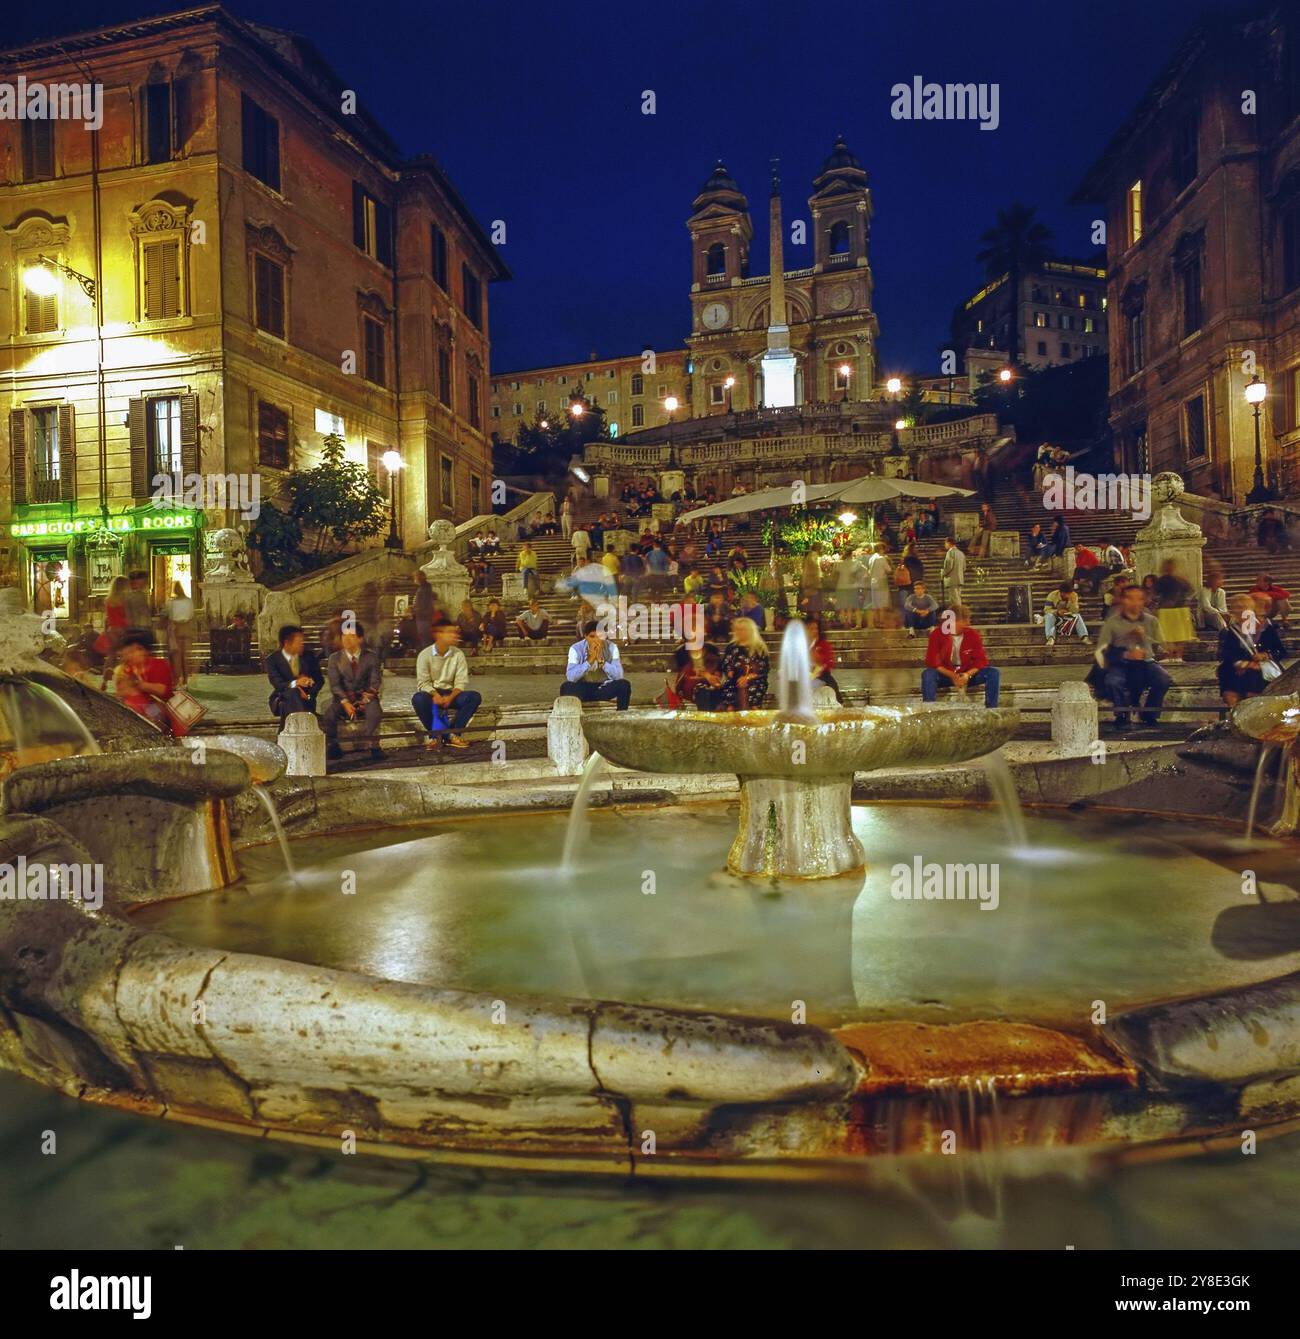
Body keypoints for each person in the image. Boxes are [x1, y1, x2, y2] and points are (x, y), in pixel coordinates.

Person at [1097, 584, 1171, 730]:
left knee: (1163, 679)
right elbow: (1102, 649)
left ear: (1144, 601)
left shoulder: (1151, 621)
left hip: (1146, 662)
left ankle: (1150, 714)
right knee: (1113, 681)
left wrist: (1145, 638)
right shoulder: (1112, 622)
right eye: (1130, 599)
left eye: (1139, 599)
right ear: (1123, 600)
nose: (1134, 603)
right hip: (1121, 663)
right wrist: (1125, 654)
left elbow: (1162, 646)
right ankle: (1122, 714)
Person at [413, 618, 482, 750]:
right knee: (418, 699)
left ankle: (451, 734)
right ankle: (438, 735)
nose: (454, 635)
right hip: (432, 693)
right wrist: (435, 694)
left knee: (474, 697)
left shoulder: (458, 654)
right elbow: (423, 683)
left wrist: (450, 697)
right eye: (449, 632)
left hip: (452, 693)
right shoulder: (425, 655)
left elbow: (461, 682)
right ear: (438, 634)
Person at [323, 623, 384, 761]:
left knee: (375, 712)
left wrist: (365, 699)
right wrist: (345, 702)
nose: (347, 639)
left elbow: (375, 681)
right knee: (329, 714)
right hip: (343, 697)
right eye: (344, 635)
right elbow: (335, 684)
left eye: (351, 636)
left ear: (360, 639)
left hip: (366, 696)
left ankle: (374, 745)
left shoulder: (371, 657)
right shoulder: (335, 658)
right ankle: (333, 745)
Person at [921, 606, 1001, 707]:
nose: (968, 623)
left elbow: (980, 660)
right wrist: (953, 675)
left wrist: (967, 674)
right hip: (946, 675)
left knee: (993, 673)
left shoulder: (973, 635)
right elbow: (933, 662)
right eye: (965, 620)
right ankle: (928, 709)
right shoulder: (937, 634)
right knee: (928, 674)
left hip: (966, 675)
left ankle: (991, 709)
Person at [561, 620, 632, 709]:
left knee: (624, 685)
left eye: (600, 637)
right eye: (592, 637)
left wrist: (601, 661)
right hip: (583, 688)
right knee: (566, 687)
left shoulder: (612, 648)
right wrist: (589, 661)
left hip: (603, 687)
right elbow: (571, 677)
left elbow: (618, 676)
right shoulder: (575, 649)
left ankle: (621, 717)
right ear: (585, 637)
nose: (596, 640)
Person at [1218, 595, 1272, 707]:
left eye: (1243, 607)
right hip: (1235, 669)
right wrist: (1242, 664)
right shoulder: (1228, 631)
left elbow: (1279, 650)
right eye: (1236, 607)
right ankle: (1234, 714)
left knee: (1254, 679)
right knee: (1230, 685)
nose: (1240, 610)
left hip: (1261, 669)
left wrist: (1265, 655)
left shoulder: (1265, 628)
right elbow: (1224, 654)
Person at [114, 634, 176, 733]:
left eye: (133, 651)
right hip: (134, 707)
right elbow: (121, 693)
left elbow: (162, 690)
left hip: (158, 707)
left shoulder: (158, 664)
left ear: (144, 651)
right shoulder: (127, 668)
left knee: (151, 713)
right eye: (128, 652)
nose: (130, 655)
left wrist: (137, 684)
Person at [266, 625, 324, 724]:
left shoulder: (309, 657)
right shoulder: (273, 660)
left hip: (307, 699)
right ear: (287, 642)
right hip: (282, 699)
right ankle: (305, 721)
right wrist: (296, 684)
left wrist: (309, 693)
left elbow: (320, 680)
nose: (302, 645)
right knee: (293, 694)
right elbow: (278, 684)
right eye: (299, 642)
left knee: (292, 700)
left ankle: (284, 732)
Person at [718, 617, 770, 710]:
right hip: (735, 679)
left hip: (755, 679)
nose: (739, 632)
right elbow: (726, 662)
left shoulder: (759, 648)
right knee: (729, 691)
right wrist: (729, 671)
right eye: (737, 630)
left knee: (753, 691)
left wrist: (747, 677)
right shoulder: (732, 647)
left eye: (742, 630)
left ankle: (754, 712)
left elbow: (763, 668)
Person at [1154, 559, 1195, 663]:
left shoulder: (1180, 579)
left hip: (1180, 608)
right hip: (1166, 609)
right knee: (1167, 634)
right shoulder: (1162, 580)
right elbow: (1156, 593)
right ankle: (1170, 655)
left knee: (1180, 634)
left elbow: (1190, 591)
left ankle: (1179, 656)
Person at [158, 581, 194, 689]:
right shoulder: (189, 601)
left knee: (176, 657)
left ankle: (177, 681)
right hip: (187, 628)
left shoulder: (171, 602)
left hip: (176, 629)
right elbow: (191, 615)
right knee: (185, 657)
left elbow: (166, 614)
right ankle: (186, 681)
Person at [806, 617, 842, 704]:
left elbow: (829, 663)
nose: (814, 631)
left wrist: (817, 658)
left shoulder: (823, 644)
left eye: (816, 628)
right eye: (811, 629)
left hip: (823, 677)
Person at [1044, 581, 1088, 645]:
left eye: (1069, 593)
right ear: (1061, 592)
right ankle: (1051, 638)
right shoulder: (1052, 595)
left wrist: (1073, 602)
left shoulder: (1074, 595)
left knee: (1077, 615)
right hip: (1055, 617)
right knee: (1049, 616)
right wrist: (1057, 612)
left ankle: (1084, 637)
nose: (1067, 595)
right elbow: (1046, 610)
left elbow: (1075, 611)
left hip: (1067, 618)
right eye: (1066, 593)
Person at [866, 543, 892, 629]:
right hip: (881, 582)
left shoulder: (871, 558)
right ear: (881, 549)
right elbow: (889, 570)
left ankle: (876, 622)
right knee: (882, 604)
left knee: (875, 603)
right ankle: (881, 622)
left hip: (873, 582)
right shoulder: (881, 559)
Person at [123, 570, 153, 635]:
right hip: (139, 629)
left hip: (135, 628)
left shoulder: (130, 595)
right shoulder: (137, 596)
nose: (146, 583)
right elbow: (144, 613)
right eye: (144, 580)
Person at [941, 536, 966, 613]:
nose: (945, 545)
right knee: (958, 598)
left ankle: (958, 615)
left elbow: (949, 566)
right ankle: (959, 614)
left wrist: (943, 573)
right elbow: (964, 568)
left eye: (945, 543)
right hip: (959, 579)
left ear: (949, 543)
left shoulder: (950, 553)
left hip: (952, 579)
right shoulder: (961, 553)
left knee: (954, 600)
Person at [412, 570, 436, 649]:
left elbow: (423, 604)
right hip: (424, 616)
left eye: (415, 577)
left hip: (423, 617)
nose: (414, 580)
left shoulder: (423, 590)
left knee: (425, 637)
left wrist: (414, 610)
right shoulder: (426, 588)